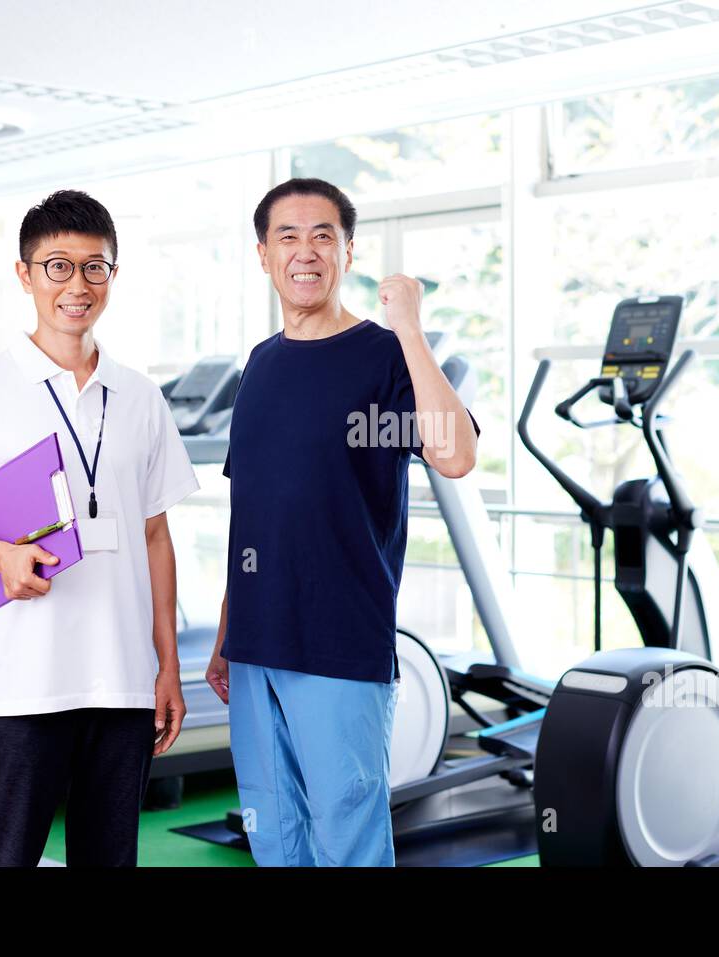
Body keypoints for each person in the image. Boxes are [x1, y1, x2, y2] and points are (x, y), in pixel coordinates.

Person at [0, 189, 199, 866]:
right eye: (58, 266)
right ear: (25, 275)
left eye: (95, 267)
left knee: (110, 859)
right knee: (8, 860)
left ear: (113, 277)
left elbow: (156, 535)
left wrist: (167, 667)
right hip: (22, 681)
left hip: (121, 679)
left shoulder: (141, 396)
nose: (78, 284)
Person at [205, 178, 479, 866]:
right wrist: (226, 629)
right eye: (287, 237)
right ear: (263, 254)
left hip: (338, 644)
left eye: (323, 235)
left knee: (346, 840)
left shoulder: (384, 356)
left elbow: (455, 454)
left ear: (347, 252)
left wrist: (409, 327)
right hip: (257, 645)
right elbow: (253, 515)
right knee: (273, 836)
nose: (305, 251)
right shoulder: (261, 365)